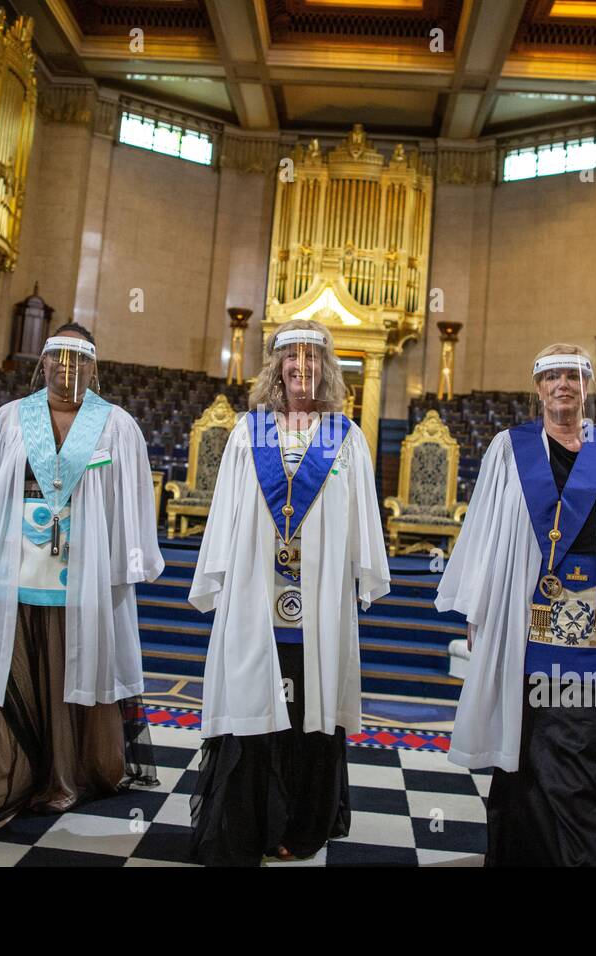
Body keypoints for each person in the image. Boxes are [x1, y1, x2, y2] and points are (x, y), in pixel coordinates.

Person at [0, 322, 164, 855]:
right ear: (44, 362)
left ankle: (68, 773)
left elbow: (131, 501)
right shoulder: (11, 419)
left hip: (85, 570)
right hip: (14, 566)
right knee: (7, 669)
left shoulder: (116, 425)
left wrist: (129, 565)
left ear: (94, 369)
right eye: (57, 358)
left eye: (78, 361)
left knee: (73, 667)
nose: (66, 369)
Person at [435, 343, 596, 866]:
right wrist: (476, 606)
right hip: (522, 618)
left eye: (574, 376)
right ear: (537, 387)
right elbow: (485, 531)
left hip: (594, 629)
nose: (563, 385)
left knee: (575, 751)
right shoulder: (507, 449)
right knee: (520, 748)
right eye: (552, 377)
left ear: (588, 386)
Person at [188, 318, 390, 866]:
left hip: (319, 601)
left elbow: (362, 520)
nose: (302, 369)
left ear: (328, 369)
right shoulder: (245, 433)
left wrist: (360, 575)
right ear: (275, 368)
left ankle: (302, 823)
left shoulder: (345, 438)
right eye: (291, 360)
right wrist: (220, 579)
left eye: (313, 360)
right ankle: (250, 821)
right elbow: (226, 515)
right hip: (258, 593)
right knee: (256, 703)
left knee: (308, 706)